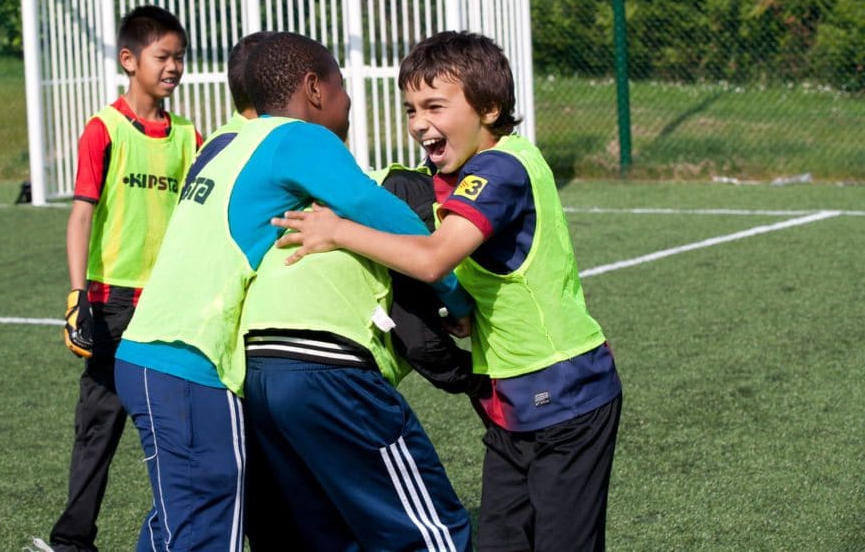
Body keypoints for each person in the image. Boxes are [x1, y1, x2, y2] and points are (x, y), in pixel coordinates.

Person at [113, 31, 473, 551]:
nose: (348, 101)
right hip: (192, 355)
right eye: (342, 86)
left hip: (147, 348)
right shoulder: (299, 140)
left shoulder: (223, 141)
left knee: (181, 521)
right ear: (314, 89)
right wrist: (455, 295)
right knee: (206, 533)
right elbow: (386, 215)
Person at [273, 30, 624, 552]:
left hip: (566, 396)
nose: (419, 123)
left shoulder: (502, 169)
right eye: (411, 108)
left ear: (488, 107)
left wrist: (337, 230)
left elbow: (434, 256)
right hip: (511, 404)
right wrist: (464, 308)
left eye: (435, 106)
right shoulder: (460, 173)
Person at [240, 163, 478, 550]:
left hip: (253, 369)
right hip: (325, 366)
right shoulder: (409, 202)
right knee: (432, 534)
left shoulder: (337, 190)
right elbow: (418, 339)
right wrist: (477, 381)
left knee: (324, 532)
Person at [46, 5, 200, 552]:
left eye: (180, 57)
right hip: (111, 305)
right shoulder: (103, 129)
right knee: (98, 429)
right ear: (129, 60)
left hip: (168, 305)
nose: (174, 67)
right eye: (164, 56)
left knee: (180, 426)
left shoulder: (189, 135)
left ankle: (188, 533)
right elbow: (82, 214)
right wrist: (77, 295)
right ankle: (72, 541)